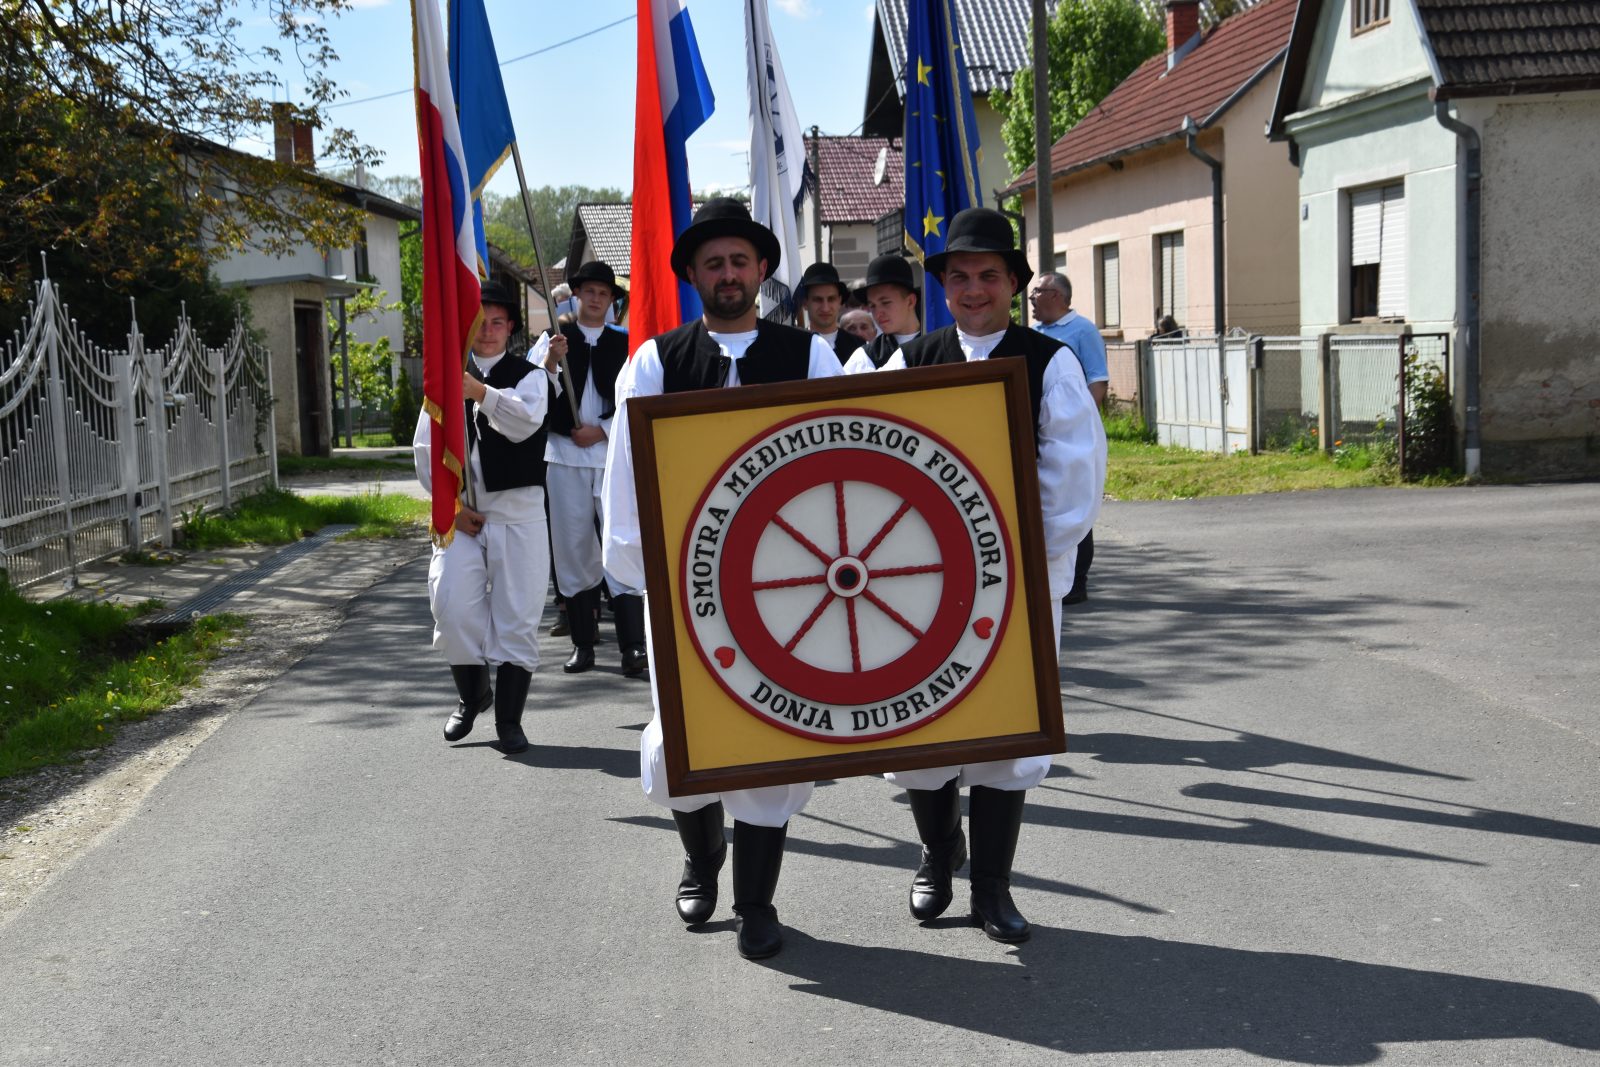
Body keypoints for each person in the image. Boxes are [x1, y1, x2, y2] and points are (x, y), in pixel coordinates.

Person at [602, 198, 843, 961]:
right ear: (694, 276)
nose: (729, 274)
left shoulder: (809, 357)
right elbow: (626, 476)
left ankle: (757, 902)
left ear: (763, 270)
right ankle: (701, 858)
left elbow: (847, 458)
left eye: (741, 260)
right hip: (684, 586)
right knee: (681, 738)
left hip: (787, 587)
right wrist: (643, 573)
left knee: (772, 737)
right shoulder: (655, 361)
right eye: (715, 263)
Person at [871, 208, 1106, 943]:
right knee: (923, 726)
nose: (974, 290)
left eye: (989, 276)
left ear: (1013, 283)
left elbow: (1072, 482)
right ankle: (939, 856)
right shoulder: (909, 361)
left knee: (1007, 735)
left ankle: (993, 886)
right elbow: (864, 460)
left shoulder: (1049, 361)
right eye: (960, 276)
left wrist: (1011, 559)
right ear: (941, 286)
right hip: (915, 586)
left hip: (1017, 584)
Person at [413, 281, 565, 755]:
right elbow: (424, 448)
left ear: (511, 328)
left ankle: (509, 720)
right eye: (480, 322)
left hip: (517, 516)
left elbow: (524, 424)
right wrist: (453, 509)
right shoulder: (444, 378)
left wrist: (478, 391)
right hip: (462, 518)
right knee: (452, 604)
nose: (487, 331)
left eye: (497, 322)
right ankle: (472, 693)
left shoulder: (530, 375)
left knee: (517, 617)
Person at [544, 260, 644, 675]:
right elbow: (534, 389)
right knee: (572, 548)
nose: (596, 298)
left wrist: (602, 431)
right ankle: (583, 643)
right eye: (589, 291)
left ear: (610, 300)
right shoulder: (554, 338)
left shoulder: (625, 343)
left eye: (604, 293)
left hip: (610, 456)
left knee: (620, 539)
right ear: (578, 294)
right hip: (564, 456)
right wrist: (551, 361)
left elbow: (633, 398)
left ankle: (633, 646)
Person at [1028, 271, 1109, 605]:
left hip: (1072, 426)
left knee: (1074, 498)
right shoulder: (1034, 334)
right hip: (1041, 429)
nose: (1031, 298)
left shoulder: (1083, 331)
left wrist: (1078, 422)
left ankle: (1078, 579)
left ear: (1057, 296)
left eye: (1038, 291)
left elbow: (1098, 380)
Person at [844, 253, 921, 373]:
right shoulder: (863, 359)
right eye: (872, 306)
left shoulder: (941, 344)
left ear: (910, 301)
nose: (878, 313)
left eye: (885, 303)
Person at [794, 260, 865, 364]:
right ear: (805, 303)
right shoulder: (794, 348)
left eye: (831, 299)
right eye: (818, 300)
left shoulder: (858, 347)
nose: (825, 308)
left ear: (840, 301)